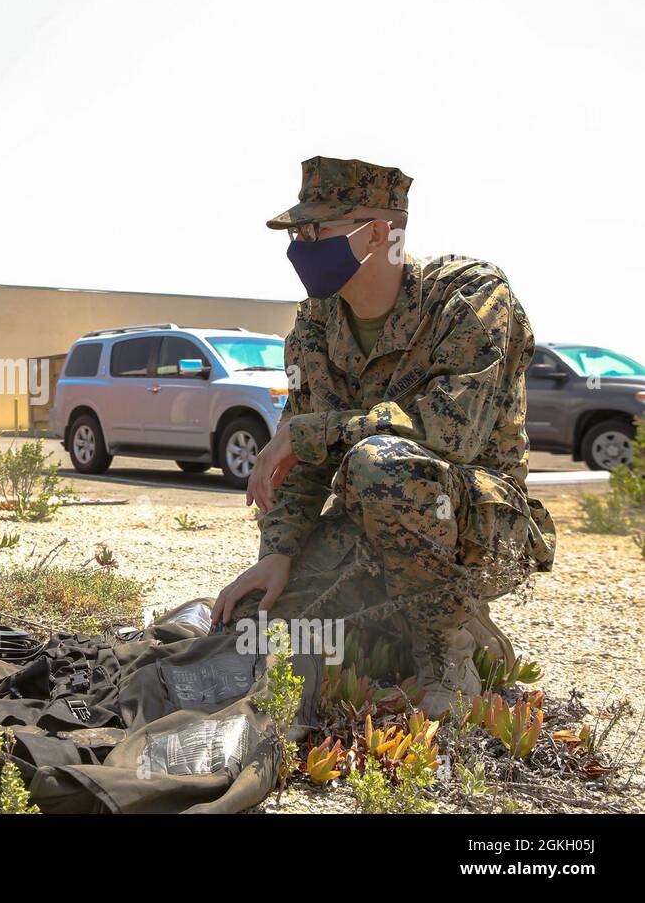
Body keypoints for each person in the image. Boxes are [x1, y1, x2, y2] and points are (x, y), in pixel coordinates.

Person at [211, 157, 556, 715]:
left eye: (317, 229)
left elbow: (453, 431)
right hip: (372, 522)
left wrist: (314, 431)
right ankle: (414, 619)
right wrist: (277, 553)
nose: (302, 245)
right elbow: (299, 460)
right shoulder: (315, 323)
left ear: (377, 233)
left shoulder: (469, 298)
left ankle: (449, 653)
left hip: (479, 524)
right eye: (297, 231)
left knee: (380, 462)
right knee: (260, 627)